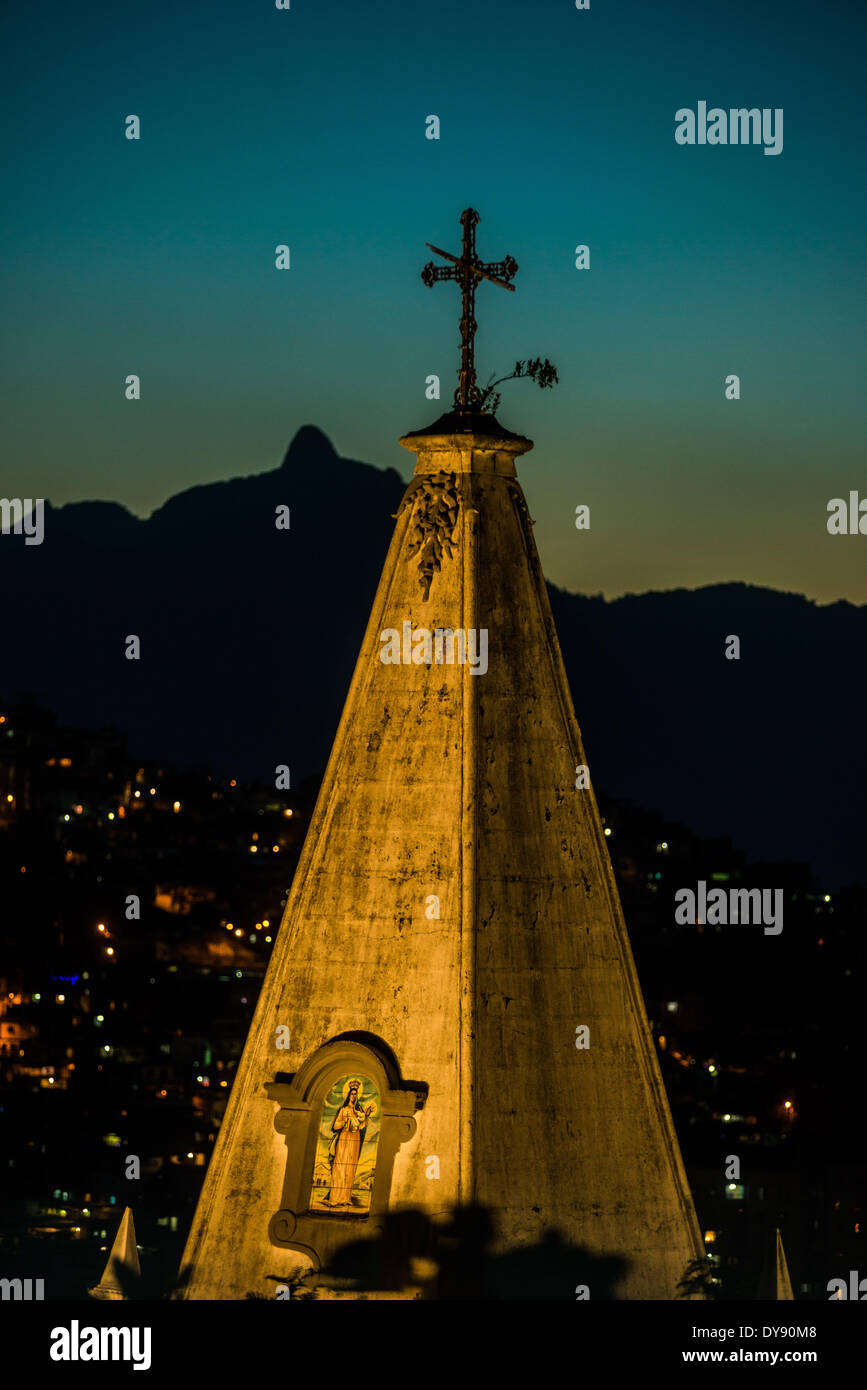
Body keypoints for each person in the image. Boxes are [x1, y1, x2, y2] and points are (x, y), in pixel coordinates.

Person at [327, 1079, 374, 1208]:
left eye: (355, 1094)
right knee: (341, 1166)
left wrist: (366, 1115)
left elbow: (361, 1125)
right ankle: (335, 1198)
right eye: (352, 1093)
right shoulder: (343, 1110)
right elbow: (335, 1126)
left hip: (355, 1140)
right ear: (348, 1095)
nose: (354, 1096)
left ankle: (345, 1197)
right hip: (344, 1139)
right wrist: (344, 1123)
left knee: (351, 1168)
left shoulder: (358, 1110)